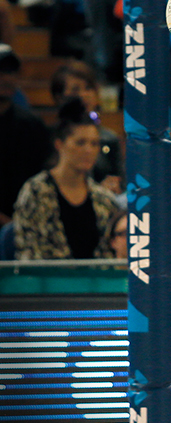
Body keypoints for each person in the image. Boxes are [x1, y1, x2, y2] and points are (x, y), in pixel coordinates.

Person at [13, 97, 120, 260]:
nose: (88, 150)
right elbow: (28, 254)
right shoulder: (35, 192)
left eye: (94, 143)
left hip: (97, 283)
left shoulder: (104, 199)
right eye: (80, 142)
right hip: (49, 283)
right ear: (59, 144)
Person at [50, 60, 123, 194]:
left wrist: (113, 186)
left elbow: (119, 179)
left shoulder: (109, 138)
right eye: (75, 89)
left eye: (89, 88)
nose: (84, 95)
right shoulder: (45, 135)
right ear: (59, 97)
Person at [0, 43, 53, 227]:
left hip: (27, 223)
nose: (6, 79)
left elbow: (43, 177)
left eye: (11, 72)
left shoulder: (32, 125)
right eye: (1, 72)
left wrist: (20, 221)